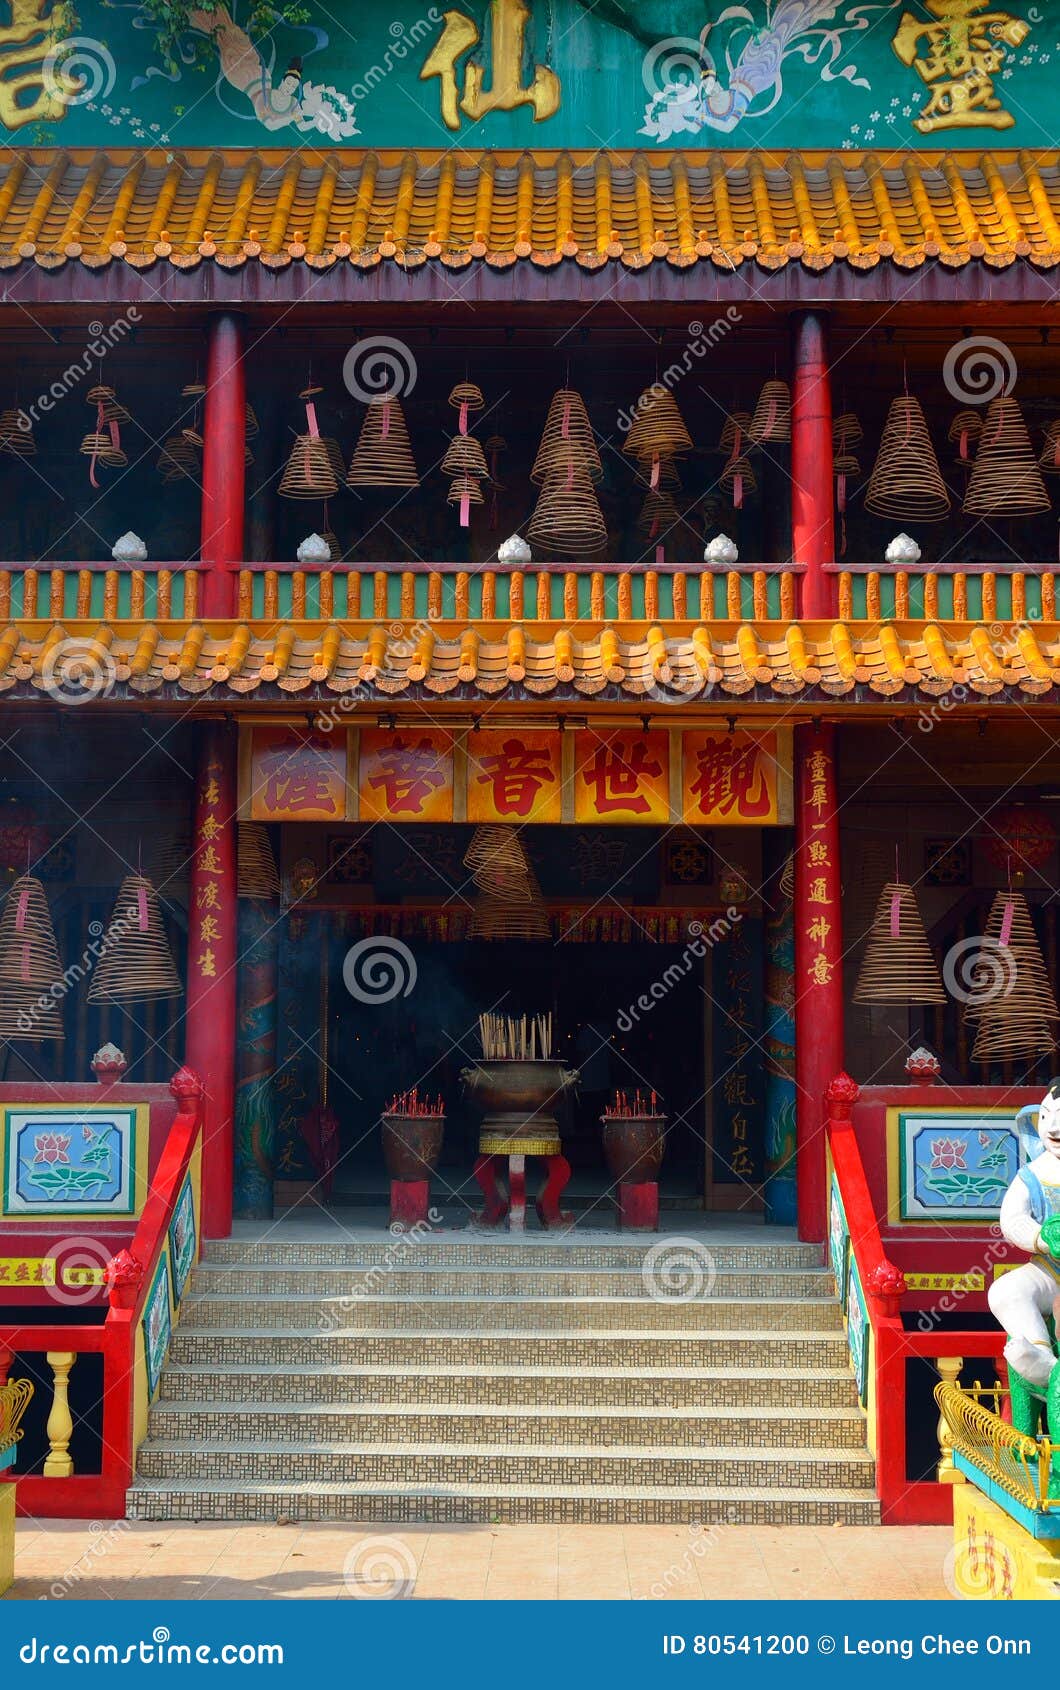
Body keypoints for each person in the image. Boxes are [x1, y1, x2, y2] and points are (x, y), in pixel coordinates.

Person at [988, 1078, 1060, 1389]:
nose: (1054, 1129)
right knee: (1006, 1290)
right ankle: (1042, 1359)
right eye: (1046, 1117)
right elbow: (1013, 1218)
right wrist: (1041, 1238)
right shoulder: (1033, 1174)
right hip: (1048, 1269)